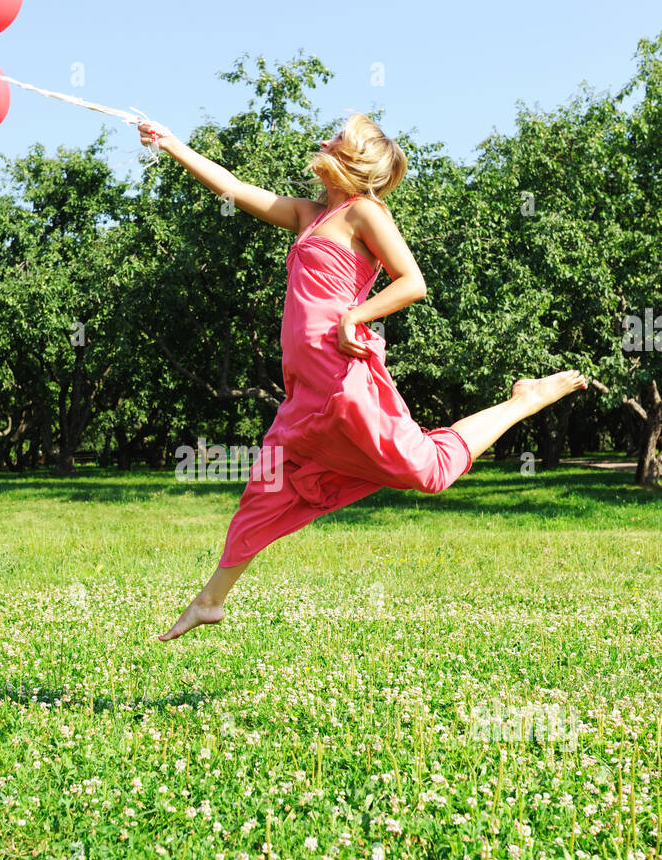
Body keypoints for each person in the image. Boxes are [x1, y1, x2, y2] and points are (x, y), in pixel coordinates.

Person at [137, 113, 587, 641]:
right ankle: (210, 600)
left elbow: (412, 281)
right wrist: (171, 144)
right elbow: (234, 187)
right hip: (306, 391)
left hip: (342, 378)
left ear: (354, 159)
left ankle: (522, 401)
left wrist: (356, 315)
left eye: (337, 137)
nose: (324, 140)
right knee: (266, 488)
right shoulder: (308, 214)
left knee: (429, 471)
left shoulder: (364, 213)